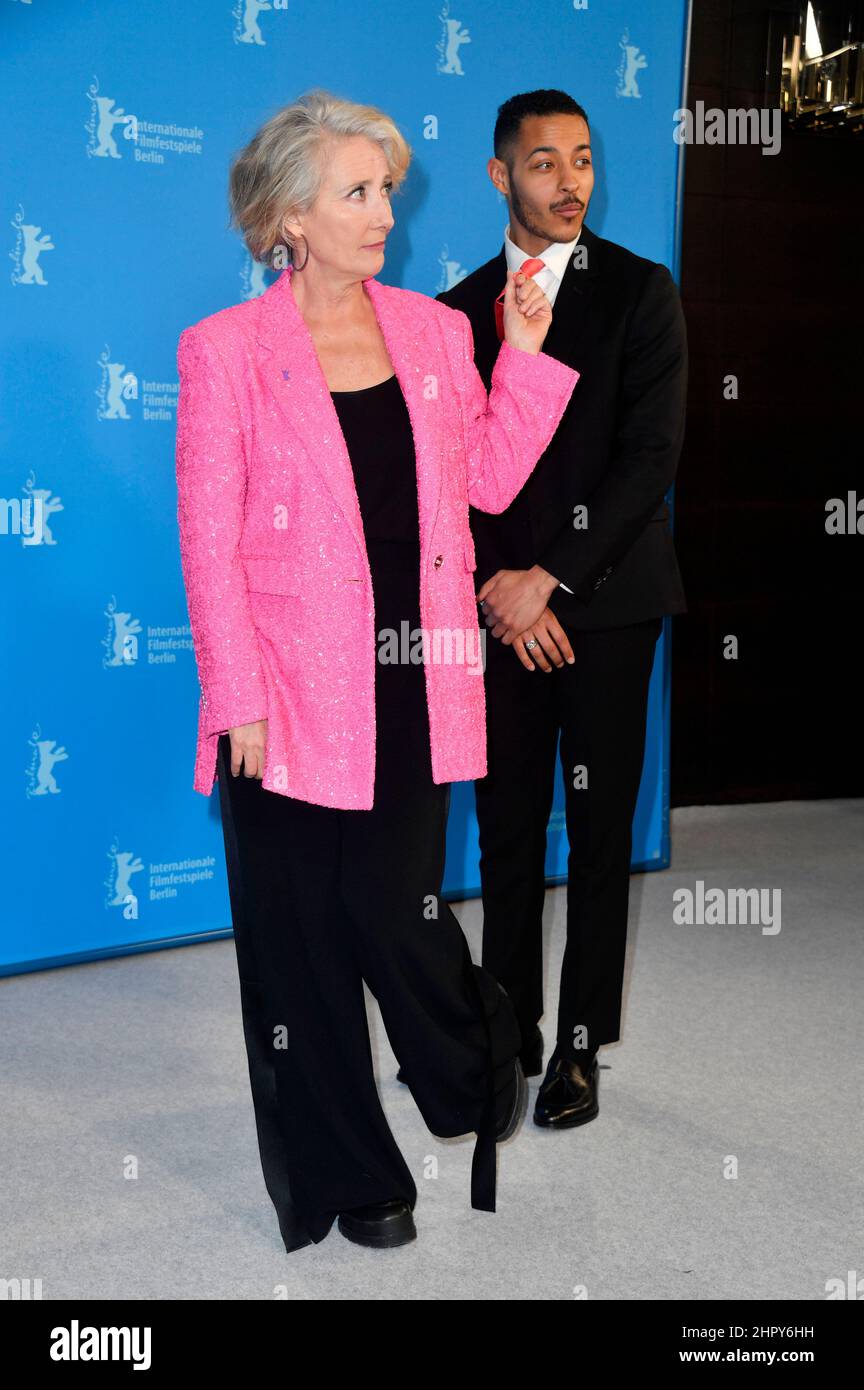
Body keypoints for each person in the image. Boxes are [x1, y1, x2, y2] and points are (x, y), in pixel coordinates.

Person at [174, 88, 579, 1252]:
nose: (383, 213)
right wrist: (236, 697)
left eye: (387, 188)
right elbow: (208, 541)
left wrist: (531, 356)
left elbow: (488, 485)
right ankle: (360, 1180)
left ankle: (475, 1055)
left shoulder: (438, 332)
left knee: (397, 918)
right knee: (300, 944)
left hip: (415, 673)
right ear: (291, 215)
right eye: (357, 192)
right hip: (286, 689)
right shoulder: (226, 352)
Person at [436, 89, 687, 1128]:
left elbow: (649, 461)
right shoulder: (453, 312)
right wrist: (505, 588)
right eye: (545, 163)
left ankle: (580, 1045)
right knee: (502, 836)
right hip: (500, 614)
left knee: (594, 833)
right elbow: (452, 474)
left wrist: (555, 578)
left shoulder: (639, 291)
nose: (570, 182)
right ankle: (508, 1027)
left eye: (582, 159)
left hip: (609, 610)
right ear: (502, 176)